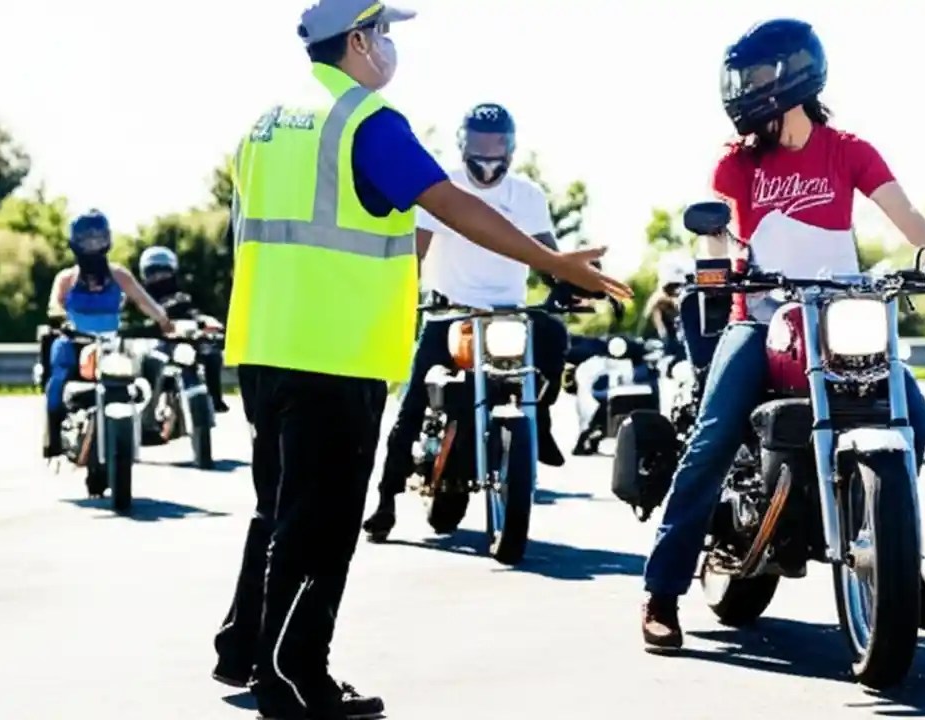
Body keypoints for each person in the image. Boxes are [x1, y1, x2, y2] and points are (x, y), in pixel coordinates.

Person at [214, 3, 631, 719]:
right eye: (384, 33)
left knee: (278, 505)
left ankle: (241, 645)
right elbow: (451, 203)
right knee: (323, 522)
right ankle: (290, 676)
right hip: (333, 351)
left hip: (265, 343)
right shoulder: (366, 121)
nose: (389, 47)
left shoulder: (265, 124)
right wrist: (551, 261)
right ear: (356, 41)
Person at [638, 18, 925, 650]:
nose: (743, 89)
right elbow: (716, 232)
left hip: (839, 313)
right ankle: (662, 592)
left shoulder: (848, 149)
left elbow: (901, 210)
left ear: (794, 74)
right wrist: (716, 267)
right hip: (762, 317)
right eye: (740, 78)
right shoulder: (736, 162)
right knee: (712, 438)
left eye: (756, 76)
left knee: (916, 413)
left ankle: (897, 557)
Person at [360, 101, 569, 541]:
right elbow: (415, 254)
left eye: (497, 151)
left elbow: (549, 256)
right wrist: (399, 298)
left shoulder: (527, 196)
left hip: (510, 315)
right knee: (412, 403)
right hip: (449, 314)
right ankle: (385, 499)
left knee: (555, 334)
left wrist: (571, 280)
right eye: (478, 151)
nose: (487, 161)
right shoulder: (442, 190)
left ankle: (541, 419)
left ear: (511, 149)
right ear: (462, 146)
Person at [42, 210, 173, 460]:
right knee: (58, 377)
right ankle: (54, 439)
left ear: (107, 240)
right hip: (75, 341)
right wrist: (61, 319)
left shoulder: (119, 275)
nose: (92, 244)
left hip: (113, 344)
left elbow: (144, 302)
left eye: (98, 237)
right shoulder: (67, 278)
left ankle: (145, 424)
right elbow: (54, 305)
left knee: (141, 374)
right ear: (75, 242)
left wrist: (163, 320)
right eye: (86, 238)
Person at [137, 245, 231, 413]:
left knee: (212, 355)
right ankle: (146, 413)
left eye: (164, 272)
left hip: (183, 343)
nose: (160, 277)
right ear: (145, 274)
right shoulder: (139, 299)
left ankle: (214, 399)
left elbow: (194, 313)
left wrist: (208, 323)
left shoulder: (182, 296)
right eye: (154, 272)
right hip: (152, 346)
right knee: (149, 363)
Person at [640, 252, 690, 361]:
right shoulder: (657, 306)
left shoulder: (695, 305)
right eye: (672, 288)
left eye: (684, 287)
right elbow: (647, 340)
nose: (679, 293)